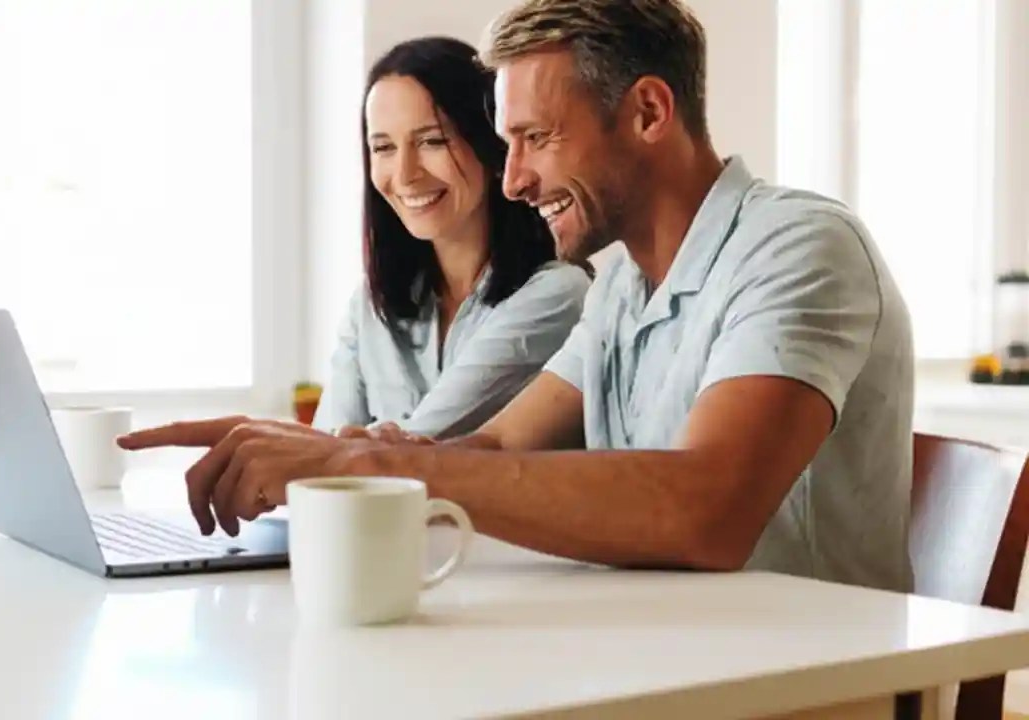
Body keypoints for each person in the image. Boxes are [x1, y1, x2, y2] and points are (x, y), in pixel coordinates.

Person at [118, 0, 915, 593]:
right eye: (509, 145)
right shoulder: (625, 289)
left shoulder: (798, 246)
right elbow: (496, 446)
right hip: (662, 656)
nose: (514, 180)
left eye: (537, 138)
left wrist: (360, 459)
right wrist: (323, 456)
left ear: (646, 111)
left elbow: (704, 509)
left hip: (805, 683)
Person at [311, 36, 590, 439]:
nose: (405, 175)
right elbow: (320, 457)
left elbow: (421, 446)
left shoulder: (559, 294)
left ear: (491, 148)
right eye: (384, 147)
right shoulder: (370, 307)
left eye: (431, 141)